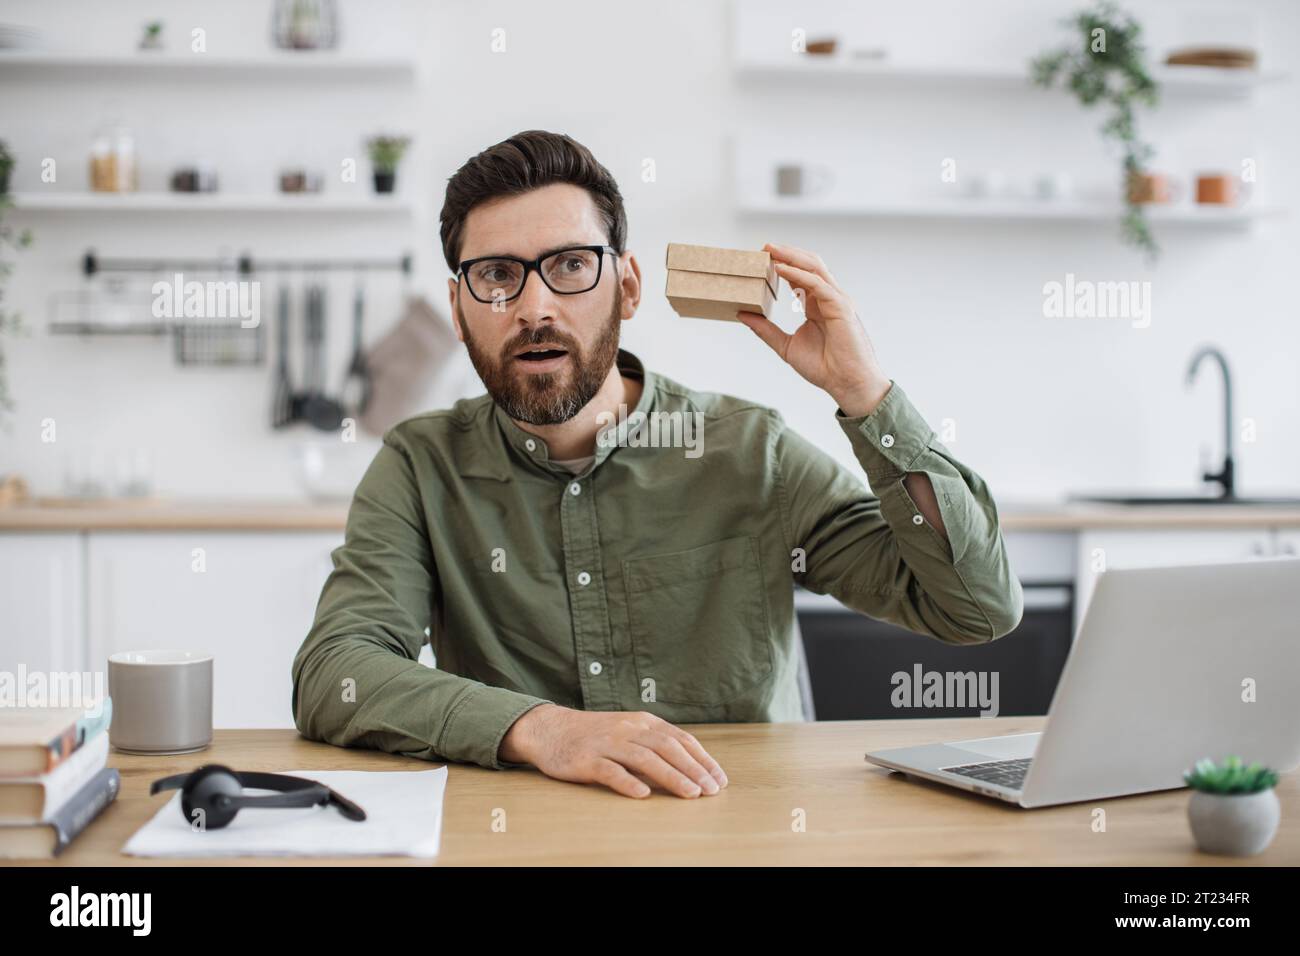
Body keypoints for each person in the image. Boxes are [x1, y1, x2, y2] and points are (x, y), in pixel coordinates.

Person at [291, 129, 1023, 800]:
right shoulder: (421, 465)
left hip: (740, 832)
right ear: (458, 308)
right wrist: (543, 729)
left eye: (571, 265)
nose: (533, 306)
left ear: (629, 286)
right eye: (496, 276)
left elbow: (976, 608)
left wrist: (866, 396)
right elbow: (337, 672)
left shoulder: (747, 450)